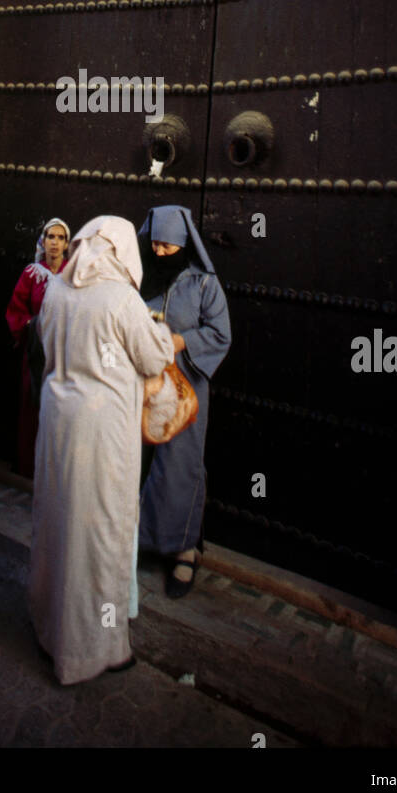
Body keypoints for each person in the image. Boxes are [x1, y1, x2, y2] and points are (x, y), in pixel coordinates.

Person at [28, 215, 178, 685]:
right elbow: (153, 357)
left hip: (57, 421)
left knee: (59, 523)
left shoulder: (56, 290)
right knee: (102, 531)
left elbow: (44, 343)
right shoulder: (121, 299)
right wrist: (165, 337)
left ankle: (52, 629)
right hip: (102, 429)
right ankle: (94, 649)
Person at [137, 205, 231, 598]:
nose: (159, 252)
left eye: (167, 246)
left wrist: (181, 341)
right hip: (144, 385)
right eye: (155, 243)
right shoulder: (139, 277)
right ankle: (143, 537)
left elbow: (221, 334)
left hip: (185, 387)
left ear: (183, 244)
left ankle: (183, 550)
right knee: (138, 460)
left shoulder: (204, 284)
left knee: (180, 463)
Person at [4, 217, 69, 477]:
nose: (54, 242)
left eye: (60, 237)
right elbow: (16, 310)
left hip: (63, 352)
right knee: (32, 404)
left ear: (67, 243)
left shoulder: (72, 275)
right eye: (50, 236)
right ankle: (28, 465)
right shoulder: (32, 274)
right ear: (43, 240)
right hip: (35, 351)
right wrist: (33, 326)